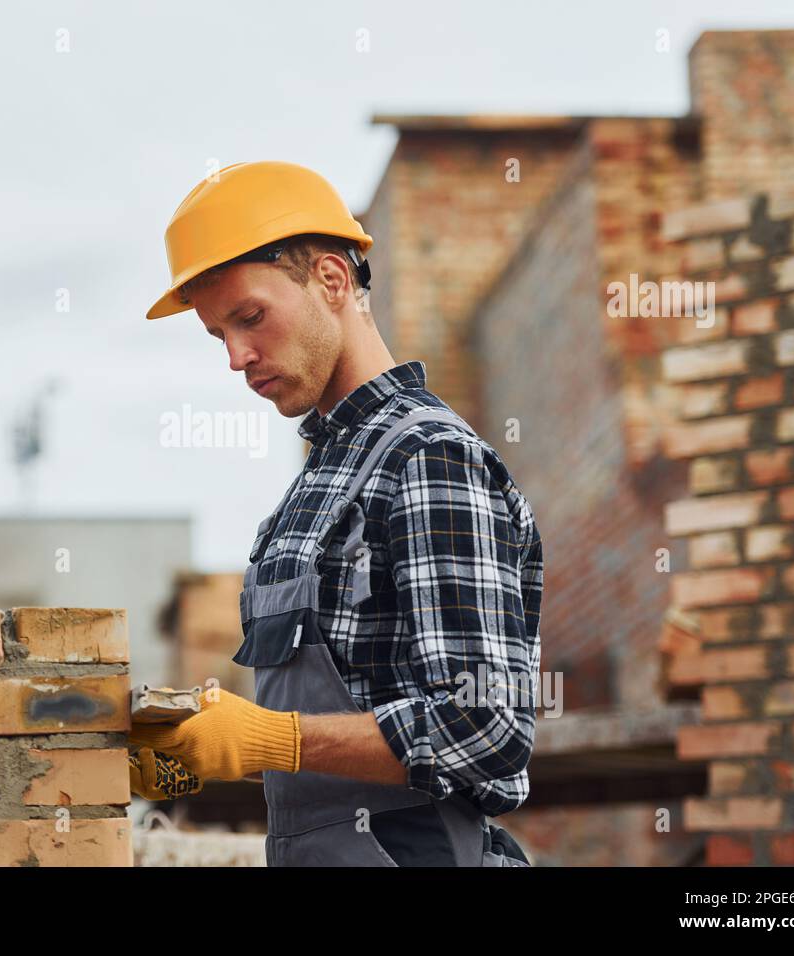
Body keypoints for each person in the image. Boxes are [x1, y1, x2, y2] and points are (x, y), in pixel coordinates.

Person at [130, 161, 543, 866]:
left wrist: (269, 738)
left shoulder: (427, 457)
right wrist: (207, 742)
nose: (236, 356)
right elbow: (344, 725)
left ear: (331, 280)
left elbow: (485, 725)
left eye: (250, 317)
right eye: (217, 334)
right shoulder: (314, 488)